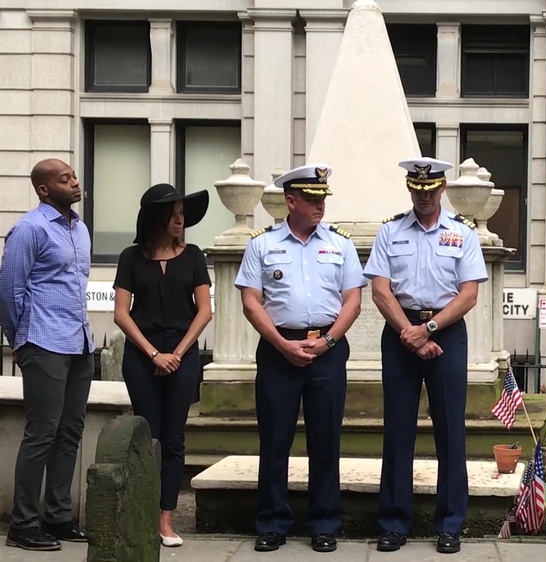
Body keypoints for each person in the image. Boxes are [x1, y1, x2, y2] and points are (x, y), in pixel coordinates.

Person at [234, 164, 365, 553]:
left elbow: (353, 300)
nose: (319, 205)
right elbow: (251, 301)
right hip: (279, 351)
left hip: (327, 350)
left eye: (322, 198)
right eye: (311, 199)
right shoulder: (262, 245)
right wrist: (280, 344)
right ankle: (272, 522)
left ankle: (324, 523)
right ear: (291, 201)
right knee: (275, 441)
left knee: (325, 441)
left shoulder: (340, 244)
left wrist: (328, 341)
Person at [364, 157, 488, 554]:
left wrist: (428, 329)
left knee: (450, 431)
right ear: (409, 189)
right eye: (417, 189)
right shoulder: (390, 231)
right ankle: (393, 523)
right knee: (397, 431)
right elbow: (380, 290)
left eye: (430, 189)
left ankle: (450, 524)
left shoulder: (462, 233)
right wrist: (410, 333)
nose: (424, 196)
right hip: (400, 332)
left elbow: (469, 294)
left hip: (445, 332)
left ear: (442, 188)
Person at [112, 183, 213, 547]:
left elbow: (204, 311)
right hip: (142, 355)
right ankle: (142, 509)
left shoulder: (194, 256)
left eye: (182, 215)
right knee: (148, 435)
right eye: (173, 215)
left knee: (173, 437)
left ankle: (165, 519)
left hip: (183, 354)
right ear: (156, 218)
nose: (180, 221)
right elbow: (121, 314)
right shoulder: (130, 257)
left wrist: (177, 354)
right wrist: (154, 354)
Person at [0, 159, 93, 551]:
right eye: (64, 179)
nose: (74, 183)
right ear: (43, 189)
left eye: (74, 177)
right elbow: (10, 291)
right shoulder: (29, 229)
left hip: (80, 342)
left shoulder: (80, 229)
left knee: (69, 432)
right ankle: (22, 525)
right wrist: (20, 343)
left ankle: (57, 517)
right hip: (44, 342)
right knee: (41, 433)